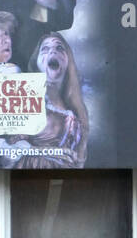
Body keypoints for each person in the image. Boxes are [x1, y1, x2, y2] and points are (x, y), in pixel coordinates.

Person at [16, 31, 88, 168]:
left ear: (68, 59)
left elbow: (80, 160)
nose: (52, 52)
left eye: (59, 48)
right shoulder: (26, 97)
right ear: (36, 61)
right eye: (45, 49)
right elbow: (8, 149)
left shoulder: (79, 108)